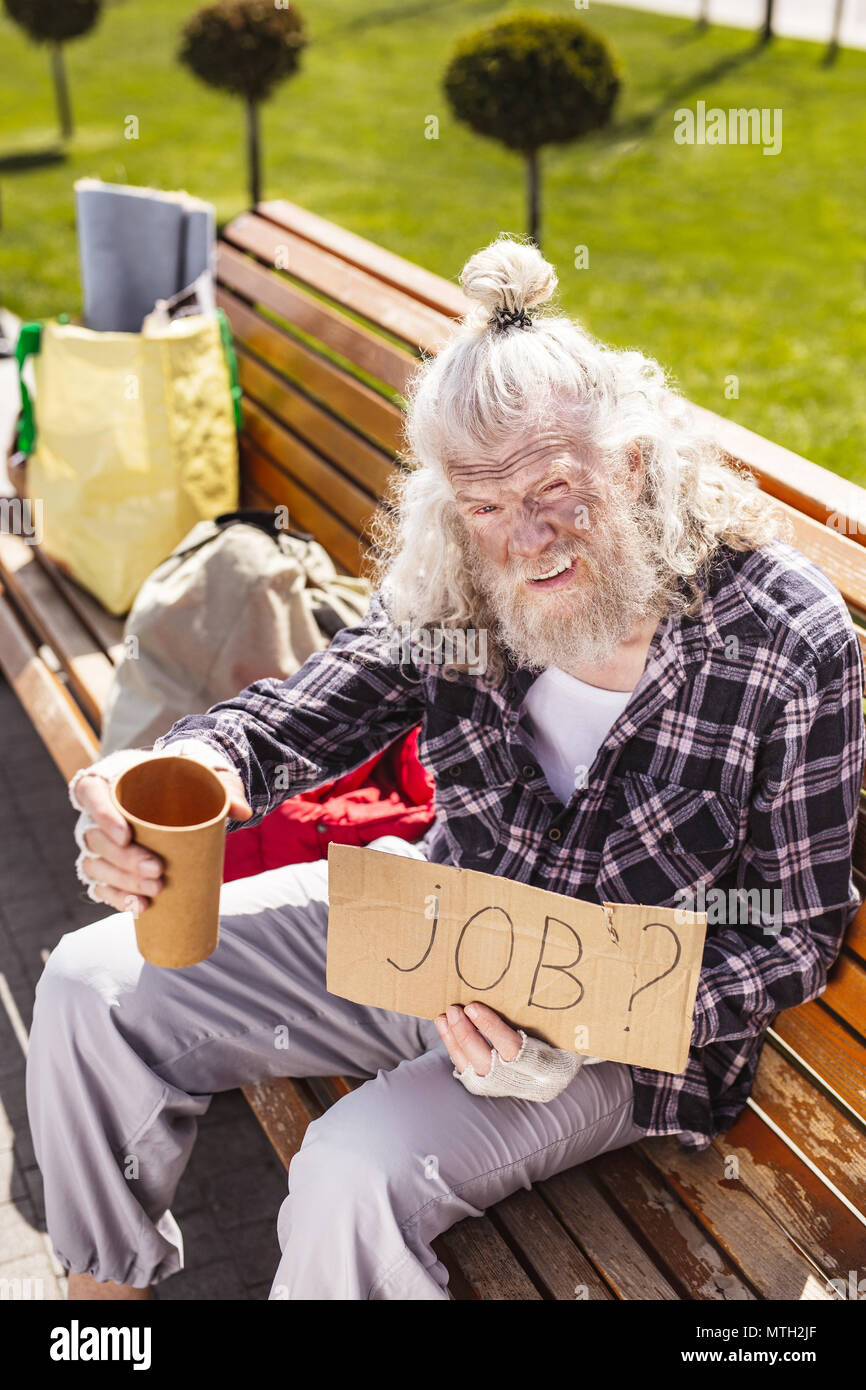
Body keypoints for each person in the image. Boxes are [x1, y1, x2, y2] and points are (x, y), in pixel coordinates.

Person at [26, 236, 864, 1301]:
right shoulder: (458, 575)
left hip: (618, 1028)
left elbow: (790, 935)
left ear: (633, 462)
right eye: (481, 506)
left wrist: (578, 1010)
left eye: (553, 490)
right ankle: (104, 1317)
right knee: (88, 985)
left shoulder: (782, 640)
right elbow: (301, 716)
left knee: (349, 1173)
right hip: (435, 930)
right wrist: (193, 761)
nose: (522, 541)